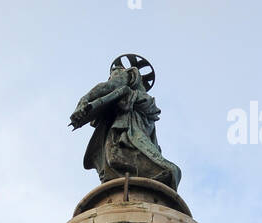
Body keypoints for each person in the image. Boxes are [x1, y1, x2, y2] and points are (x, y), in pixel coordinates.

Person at [70, 56, 181, 191]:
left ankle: (144, 184)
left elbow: (109, 86)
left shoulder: (127, 73)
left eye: (113, 75)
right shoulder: (139, 94)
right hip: (133, 126)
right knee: (122, 157)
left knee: (120, 156)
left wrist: (84, 100)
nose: (112, 77)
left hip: (130, 127)